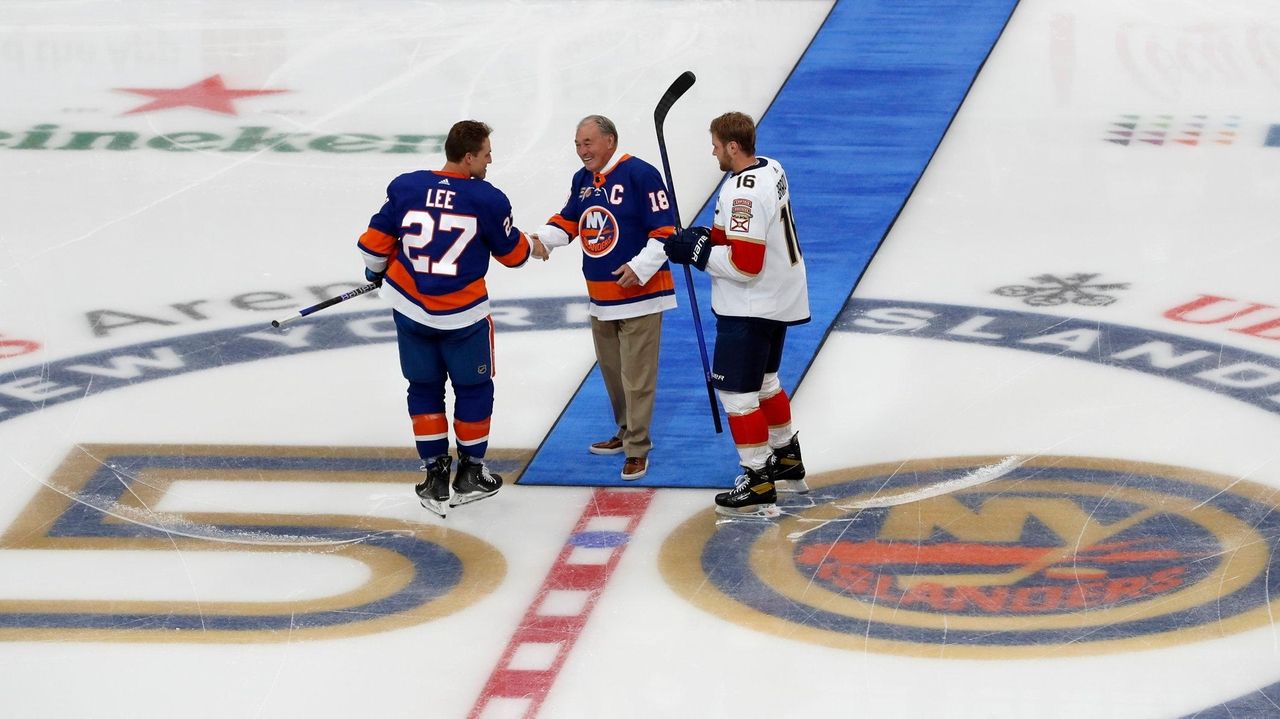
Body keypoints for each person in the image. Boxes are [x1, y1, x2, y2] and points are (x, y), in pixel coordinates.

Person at [356, 120, 537, 518]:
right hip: (463, 317)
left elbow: (372, 248)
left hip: (411, 311)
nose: (491, 160)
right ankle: (470, 472)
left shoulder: (407, 186)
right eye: (487, 154)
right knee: (473, 389)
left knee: (423, 388)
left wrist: (376, 273)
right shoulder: (487, 199)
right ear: (469, 156)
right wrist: (531, 245)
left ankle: (434, 475)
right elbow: (513, 255)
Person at [663, 111, 809, 518]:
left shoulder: (739, 194)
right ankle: (786, 457)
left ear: (732, 146)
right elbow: (749, 231)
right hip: (779, 298)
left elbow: (746, 264)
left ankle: (758, 479)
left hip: (752, 307)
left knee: (737, 396)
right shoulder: (771, 168)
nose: (712, 152)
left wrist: (696, 254)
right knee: (765, 383)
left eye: (715, 145)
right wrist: (708, 236)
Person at [528, 115, 677, 481]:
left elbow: (667, 231)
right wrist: (539, 241)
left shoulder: (641, 175)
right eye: (578, 144)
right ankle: (626, 431)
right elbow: (568, 222)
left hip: (641, 296)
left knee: (637, 377)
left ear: (610, 140)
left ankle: (638, 448)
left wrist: (640, 267)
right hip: (601, 297)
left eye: (588, 143)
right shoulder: (582, 181)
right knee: (613, 374)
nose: (582, 151)